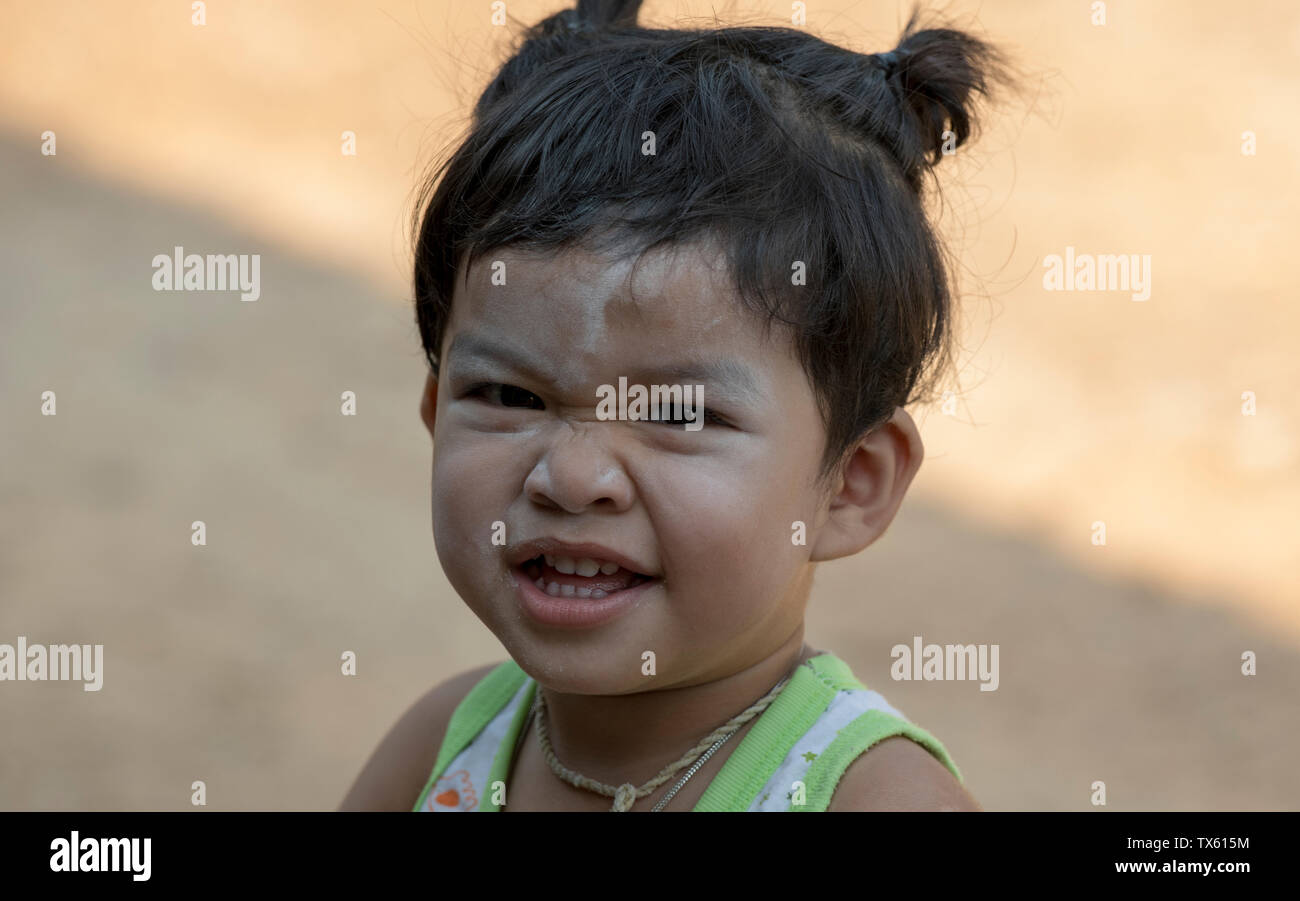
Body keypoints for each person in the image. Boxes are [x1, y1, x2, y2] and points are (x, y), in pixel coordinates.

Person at [342, 0, 1011, 812]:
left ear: (851, 483)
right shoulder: (448, 742)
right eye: (511, 396)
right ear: (435, 410)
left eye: (681, 415)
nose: (573, 476)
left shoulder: (872, 799)